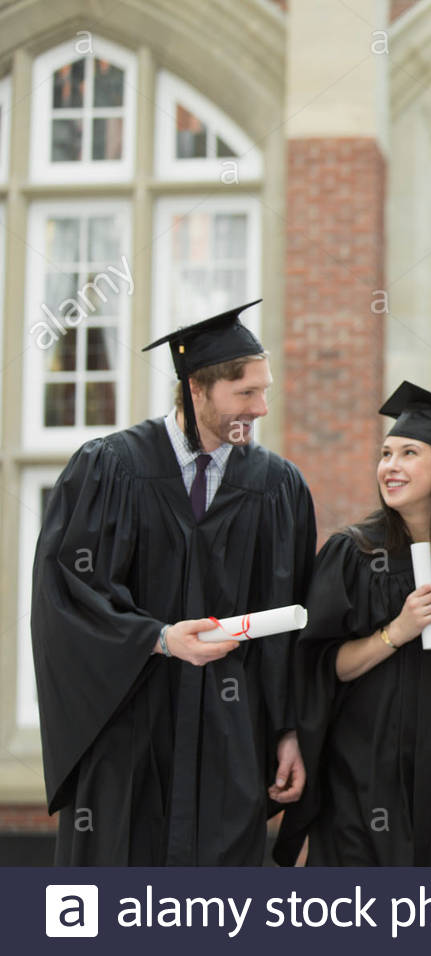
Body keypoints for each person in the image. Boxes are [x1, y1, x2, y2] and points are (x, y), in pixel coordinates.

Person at [31, 300, 317, 865]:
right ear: (196, 389)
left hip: (229, 734)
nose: (261, 408)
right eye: (245, 394)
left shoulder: (276, 487)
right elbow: (67, 595)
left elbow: (293, 618)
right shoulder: (109, 469)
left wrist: (288, 731)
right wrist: (159, 639)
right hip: (129, 726)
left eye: (265, 391)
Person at [273, 383, 431, 866]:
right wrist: (396, 632)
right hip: (365, 767)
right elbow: (325, 665)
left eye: (408, 453)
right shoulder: (354, 553)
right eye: (386, 454)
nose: (391, 466)